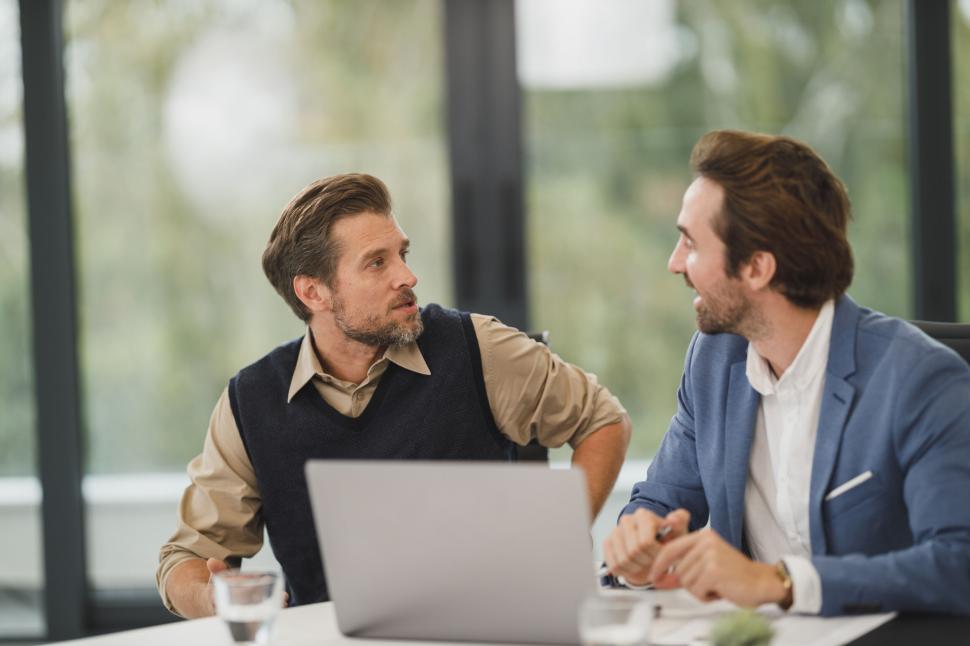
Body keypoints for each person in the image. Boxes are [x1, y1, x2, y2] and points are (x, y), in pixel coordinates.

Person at [157, 173, 631, 618]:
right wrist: (213, 598)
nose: (407, 276)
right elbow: (185, 558)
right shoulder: (251, 402)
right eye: (377, 262)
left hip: (489, 629)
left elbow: (602, 419)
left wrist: (558, 539)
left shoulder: (478, 348)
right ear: (313, 293)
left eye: (402, 253)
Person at [603, 130, 970, 616]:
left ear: (757, 267)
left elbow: (958, 564)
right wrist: (638, 542)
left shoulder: (921, 380)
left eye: (690, 243)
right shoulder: (713, 361)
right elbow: (662, 500)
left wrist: (778, 582)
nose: (675, 264)